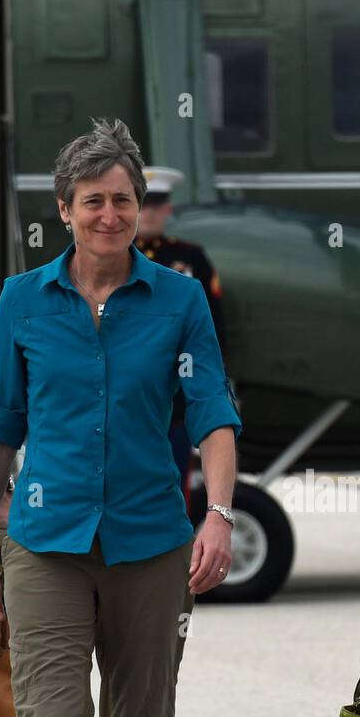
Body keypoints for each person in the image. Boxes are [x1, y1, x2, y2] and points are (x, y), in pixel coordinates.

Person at [0, 119, 241, 717]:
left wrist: (221, 512)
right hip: (43, 543)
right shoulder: (22, 299)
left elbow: (214, 417)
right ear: (65, 210)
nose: (111, 214)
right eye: (94, 201)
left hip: (151, 544)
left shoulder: (179, 299)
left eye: (123, 199)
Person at [136, 164, 228, 499]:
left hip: (175, 398)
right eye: (142, 204)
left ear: (168, 209)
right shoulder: (113, 259)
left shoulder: (190, 258)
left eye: (156, 205)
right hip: (125, 395)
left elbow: (212, 329)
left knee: (173, 489)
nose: (148, 213)